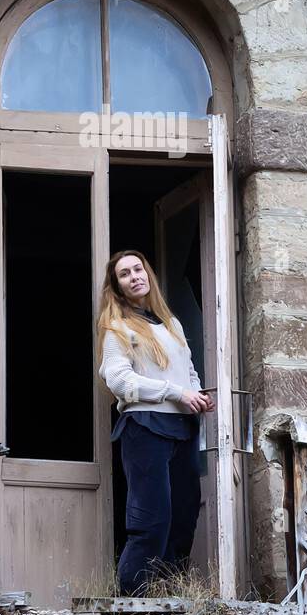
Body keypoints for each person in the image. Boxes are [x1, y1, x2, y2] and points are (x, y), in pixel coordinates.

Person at [96, 249, 212, 596]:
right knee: (151, 518)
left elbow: (188, 371)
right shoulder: (117, 327)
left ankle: (168, 591)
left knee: (184, 515)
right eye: (125, 274)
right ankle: (133, 595)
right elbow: (118, 380)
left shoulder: (172, 325)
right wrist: (174, 392)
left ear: (148, 274)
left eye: (138, 269)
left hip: (182, 428)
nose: (135, 277)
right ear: (117, 287)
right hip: (144, 427)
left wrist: (196, 395)